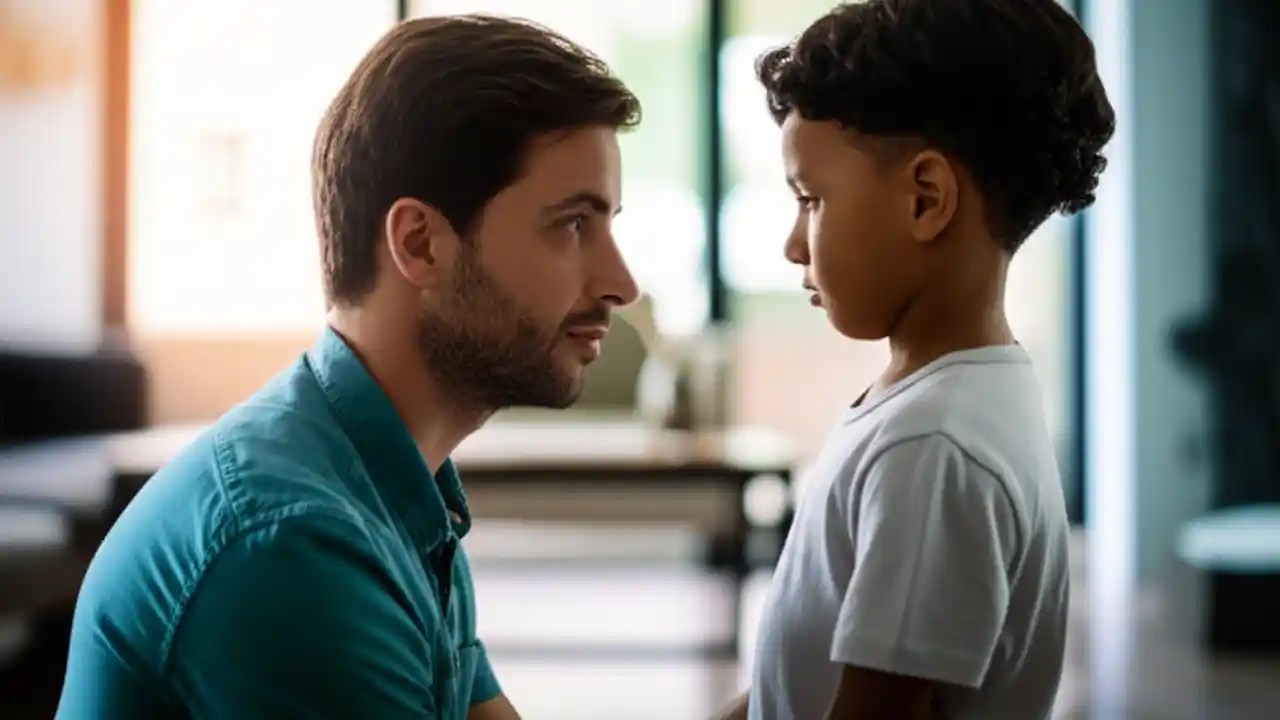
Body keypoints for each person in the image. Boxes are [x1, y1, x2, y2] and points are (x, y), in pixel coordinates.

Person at [59, 15, 640, 719]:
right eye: (575, 224)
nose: (621, 282)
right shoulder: (294, 546)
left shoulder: (394, 490)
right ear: (421, 244)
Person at [715, 1, 1114, 718]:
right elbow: (796, 682)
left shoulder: (933, 446)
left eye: (811, 199)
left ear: (925, 199)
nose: (793, 244)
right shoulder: (946, 403)